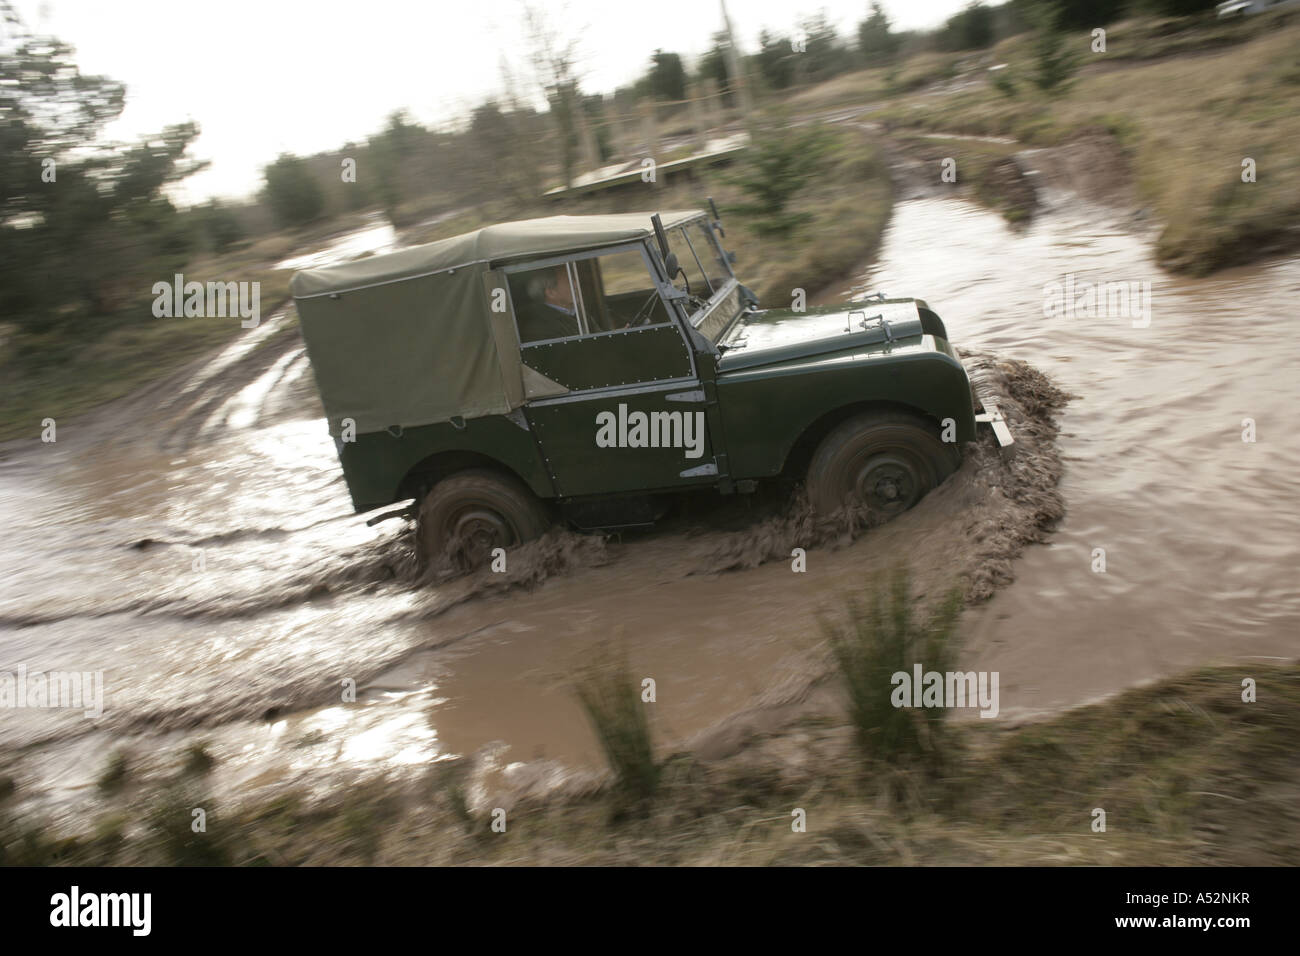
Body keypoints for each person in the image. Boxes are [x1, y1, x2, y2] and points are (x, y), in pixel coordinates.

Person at [515, 265, 580, 343]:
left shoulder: (578, 312)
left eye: (574, 279)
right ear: (551, 292)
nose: (576, 285)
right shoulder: (541, 327)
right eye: (569, 281)